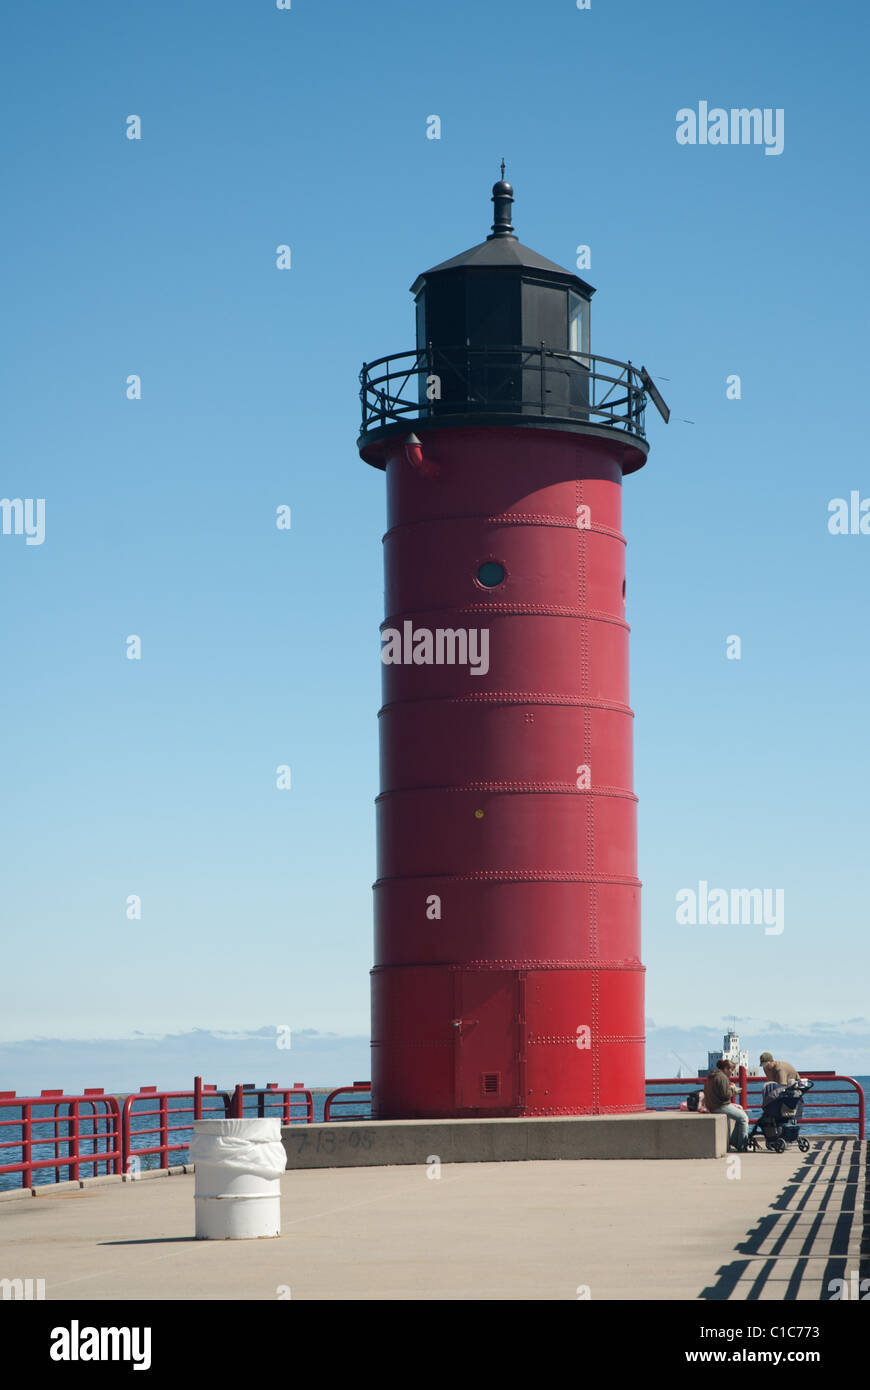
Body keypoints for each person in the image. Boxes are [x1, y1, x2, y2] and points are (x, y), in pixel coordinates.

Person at [703, 1058, 749, 1150]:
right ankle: (742, 1145)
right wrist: (733, 1090)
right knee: (744, 1118)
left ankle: (734, 1141)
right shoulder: (722, 1077)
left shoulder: (712, 1076)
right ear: (725, 1069)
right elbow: (725, 1095)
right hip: (720, 1105)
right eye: (731, 1069)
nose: (731, 1072)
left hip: (711, 1105)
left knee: (739, 1115)